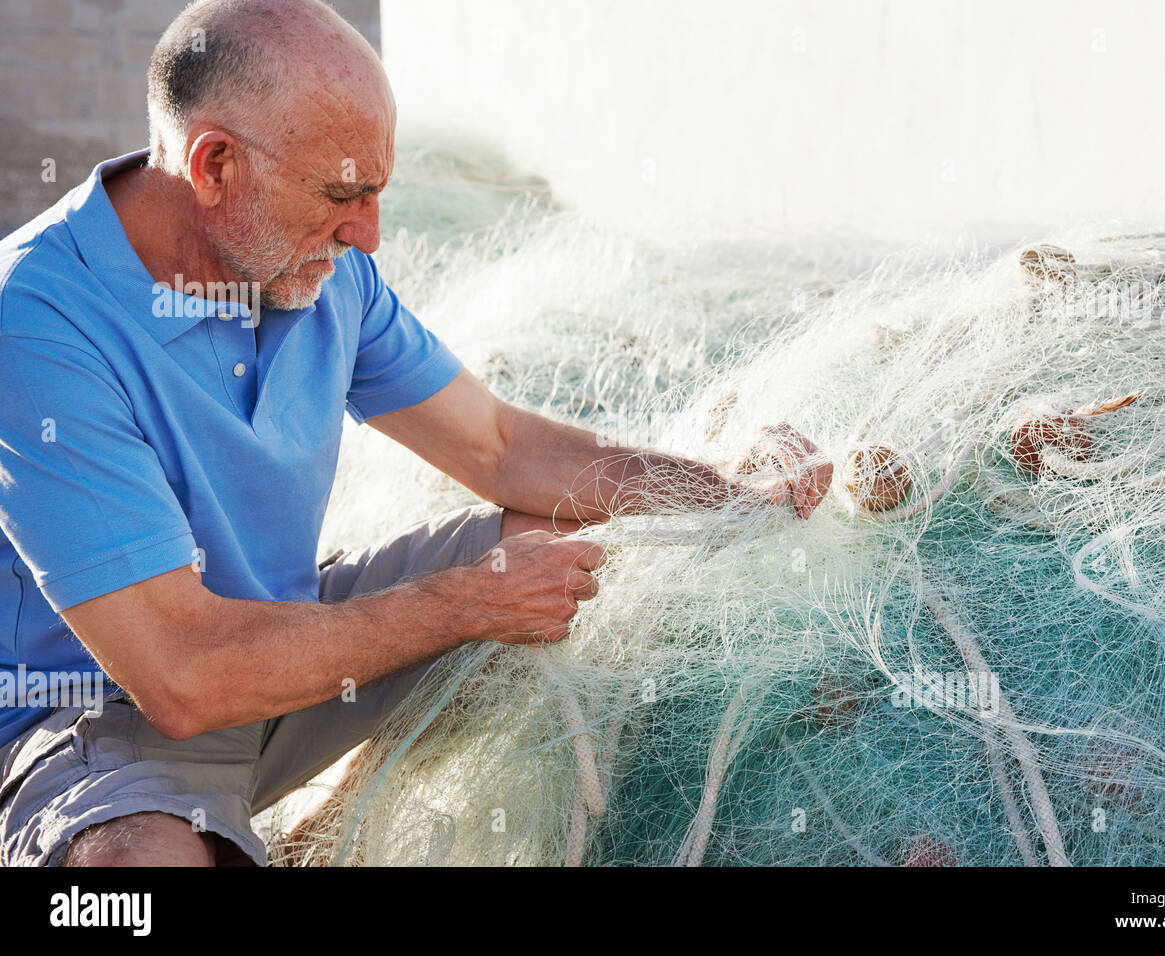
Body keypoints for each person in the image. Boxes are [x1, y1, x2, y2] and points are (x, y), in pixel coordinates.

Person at [0, 0, 832, 866]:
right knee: (134, 871)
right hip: (101, 719)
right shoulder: (34, 323)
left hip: (286, 647)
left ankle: (328, 831)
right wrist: (467, 602)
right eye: (341, 195)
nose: (370, 235)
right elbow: (180, 674)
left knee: (562, 540)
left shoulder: (324, 273)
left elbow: (504, 449)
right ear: (214, 166)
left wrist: (722, 489)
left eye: (377, 194)